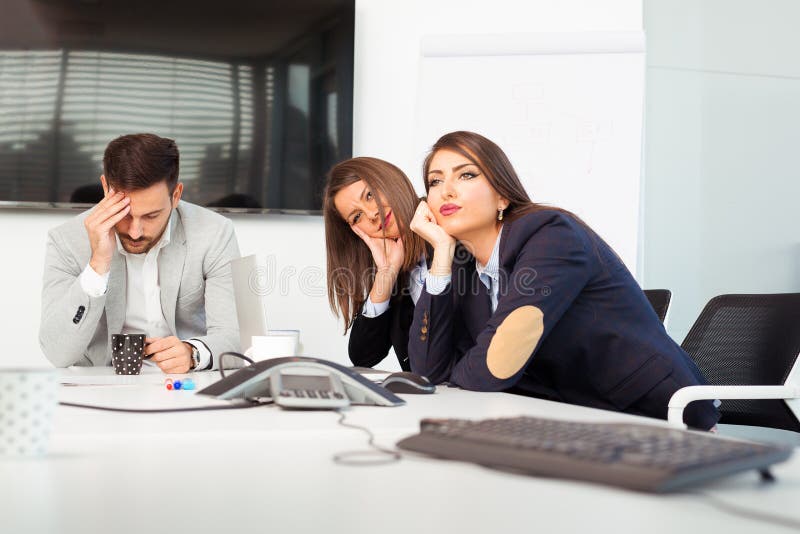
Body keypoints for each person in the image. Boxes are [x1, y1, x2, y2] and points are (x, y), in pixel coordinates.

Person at [408, 131, 718, 430]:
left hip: (654, 412)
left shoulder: (551, 236)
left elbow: (494, 367)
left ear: (502, 195)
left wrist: (461, 372)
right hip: (569, 417)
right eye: (435, 181)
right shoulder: (465, 266)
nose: (446, 190)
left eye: (466, 175)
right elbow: (428, 373)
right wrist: (443, 252)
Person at [40, 133, 241, 373]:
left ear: (176, 195)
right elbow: (57, 352)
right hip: (101, 384)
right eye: (125, 214)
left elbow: (236, 336)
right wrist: (97, 266)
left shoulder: (214, 233)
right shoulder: (67, 240)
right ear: (106, 188)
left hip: (185, 383)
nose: (135, 232)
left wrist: (193, 353)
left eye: (151, 216)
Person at [323, 157, 428, 371]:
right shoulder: (396, 267)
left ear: (388, 179)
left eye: (370, 195)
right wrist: (386, 275)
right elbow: (364, 356)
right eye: (357, 216)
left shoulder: (451, 223)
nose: (372, 214)